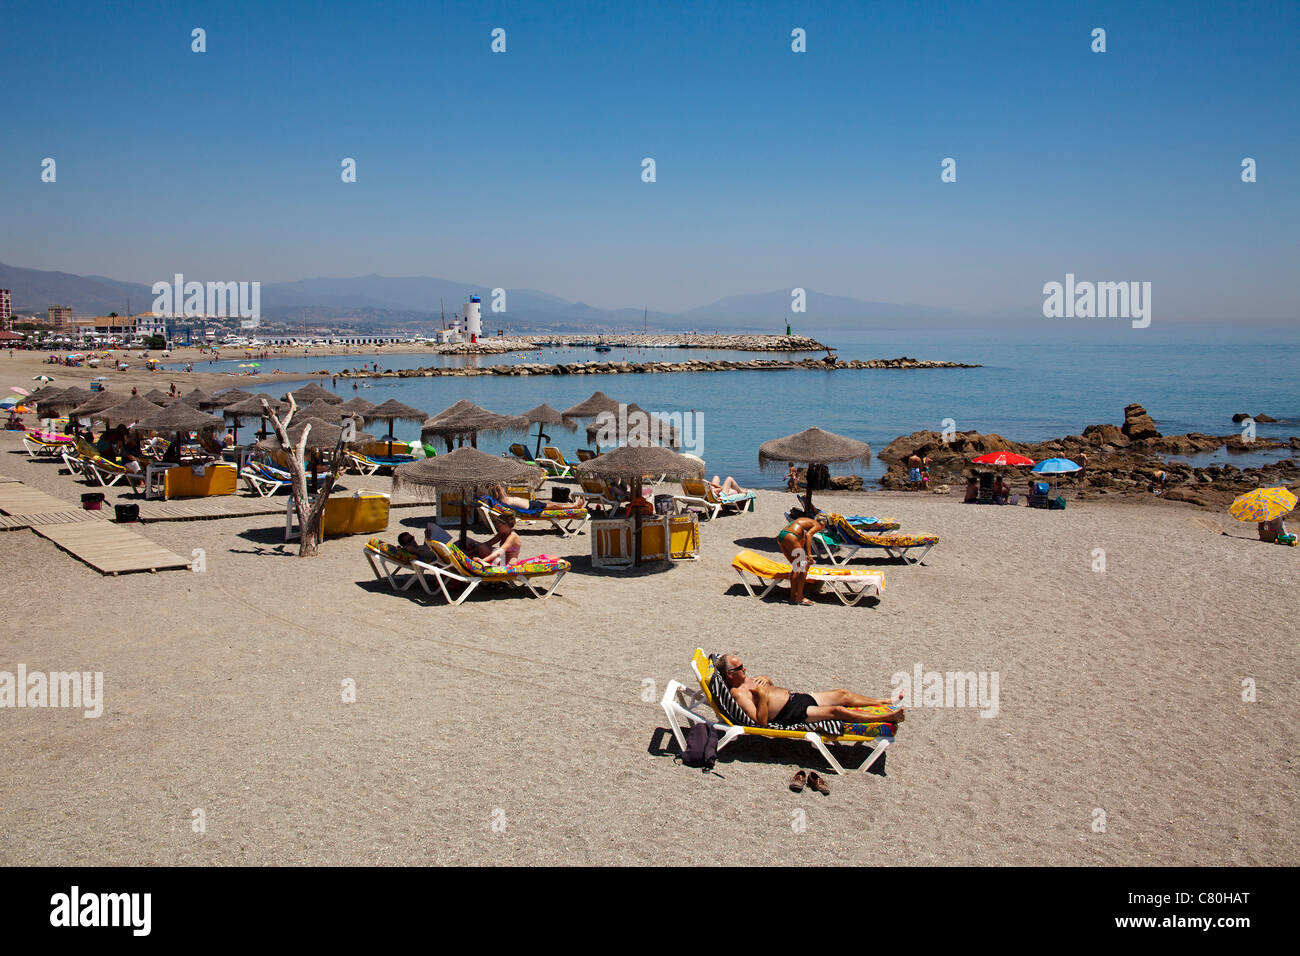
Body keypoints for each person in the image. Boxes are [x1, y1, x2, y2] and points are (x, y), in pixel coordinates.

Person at [715, 654, 905, 727]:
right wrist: (763, 696)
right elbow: (760, 721)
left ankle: (884, 701)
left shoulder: (745, 679)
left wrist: (768, 681)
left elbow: (770, 690)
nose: (745, 669)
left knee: (843, 694)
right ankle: (887, 718)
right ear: (730, 674)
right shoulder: (737, 693)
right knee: (837, 711)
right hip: (791, 713)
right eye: (740, 668)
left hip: (797, 698)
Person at [776, 515, 825, 606]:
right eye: (824, 526)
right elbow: (809, 535)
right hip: (791, 536)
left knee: (796, 567)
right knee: (804, 566)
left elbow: (802, 541)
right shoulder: (817, 524)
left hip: (782, 536)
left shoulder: (805, 522)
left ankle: (792, 596)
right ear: (823, 523)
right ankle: (799, 597)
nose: (822, 529)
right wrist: (810, 555)